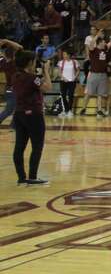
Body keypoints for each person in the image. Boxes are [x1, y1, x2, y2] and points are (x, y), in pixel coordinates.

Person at [11, 50, 52, 185]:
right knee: (37, 146)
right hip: (33, 115)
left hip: (18, 114)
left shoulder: (15, 76)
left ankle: (21, 177)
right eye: (34, 61)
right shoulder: (31, 78)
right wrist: (46, 70)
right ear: (29, 63)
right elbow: (48, 88)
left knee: (19, 146)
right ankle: (33, 177)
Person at [82, 33, 111, 116]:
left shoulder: (105, 51)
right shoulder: (94, 50)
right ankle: (83, 109)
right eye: (103, 42)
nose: (105, 43)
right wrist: (97, 35)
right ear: (99, 43)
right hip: (94, 74)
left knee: (100, 94)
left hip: (103, 75)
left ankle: (99, 110)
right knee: (89, 93)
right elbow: (90, 44)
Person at [0, 39, 23, 127]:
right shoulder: (15, 62)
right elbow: (20, 47)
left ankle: (14, 125)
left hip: (10, 88)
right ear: (14, 55)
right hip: (13, 88)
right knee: (9, 109)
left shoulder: (3, 62)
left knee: (18, 108)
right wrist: (6, 41)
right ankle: (13, 125)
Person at [56, 49, 80, 118]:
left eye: (65, 54)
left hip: (72, 81)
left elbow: (78, 70)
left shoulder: (74, 62)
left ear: (69, 55)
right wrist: (63, 78)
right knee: (63, 95)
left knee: (70, 95)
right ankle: (65, 110)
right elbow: (59, 72)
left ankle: (69, 110)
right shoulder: (61, 62)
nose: (64, 55)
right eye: (63, 54)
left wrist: (75, 77)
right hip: (63, 81)